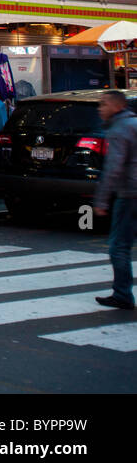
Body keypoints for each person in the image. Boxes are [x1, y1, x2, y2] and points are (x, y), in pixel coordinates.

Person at [95, 90, 137, 309]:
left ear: (116, 106)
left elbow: (113, 168)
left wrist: (102, 200)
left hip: (129, 193)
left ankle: (122, 293)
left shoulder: (119, 129)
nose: (100, 108)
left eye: (103, 104)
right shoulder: (133, 124)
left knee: (118, 246)